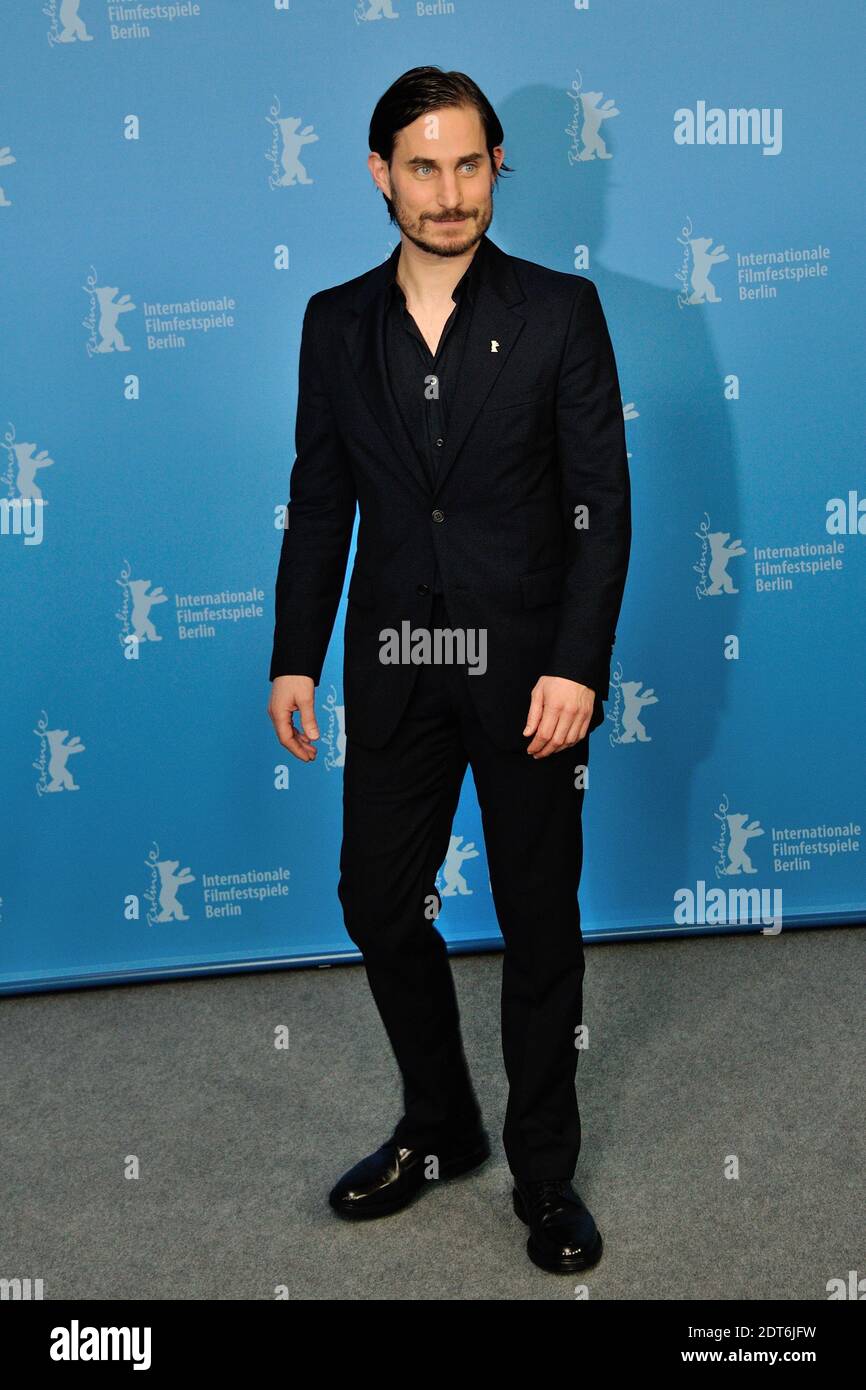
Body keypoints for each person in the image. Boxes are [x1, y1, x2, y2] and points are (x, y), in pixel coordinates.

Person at [267, 66, 631, 1275]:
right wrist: (294, 659)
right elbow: (320, 501)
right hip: (395, 661)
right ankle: (440, 1128)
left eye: (468, 164)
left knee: (538, 924)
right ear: (380, 174)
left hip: (531, 672)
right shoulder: (333, 321)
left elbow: (600, 505)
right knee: (376, 902)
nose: (447, 191)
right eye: (421, 167)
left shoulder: (558, 311)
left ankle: (543, 1174)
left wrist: (577, 664)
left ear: (495, 167)